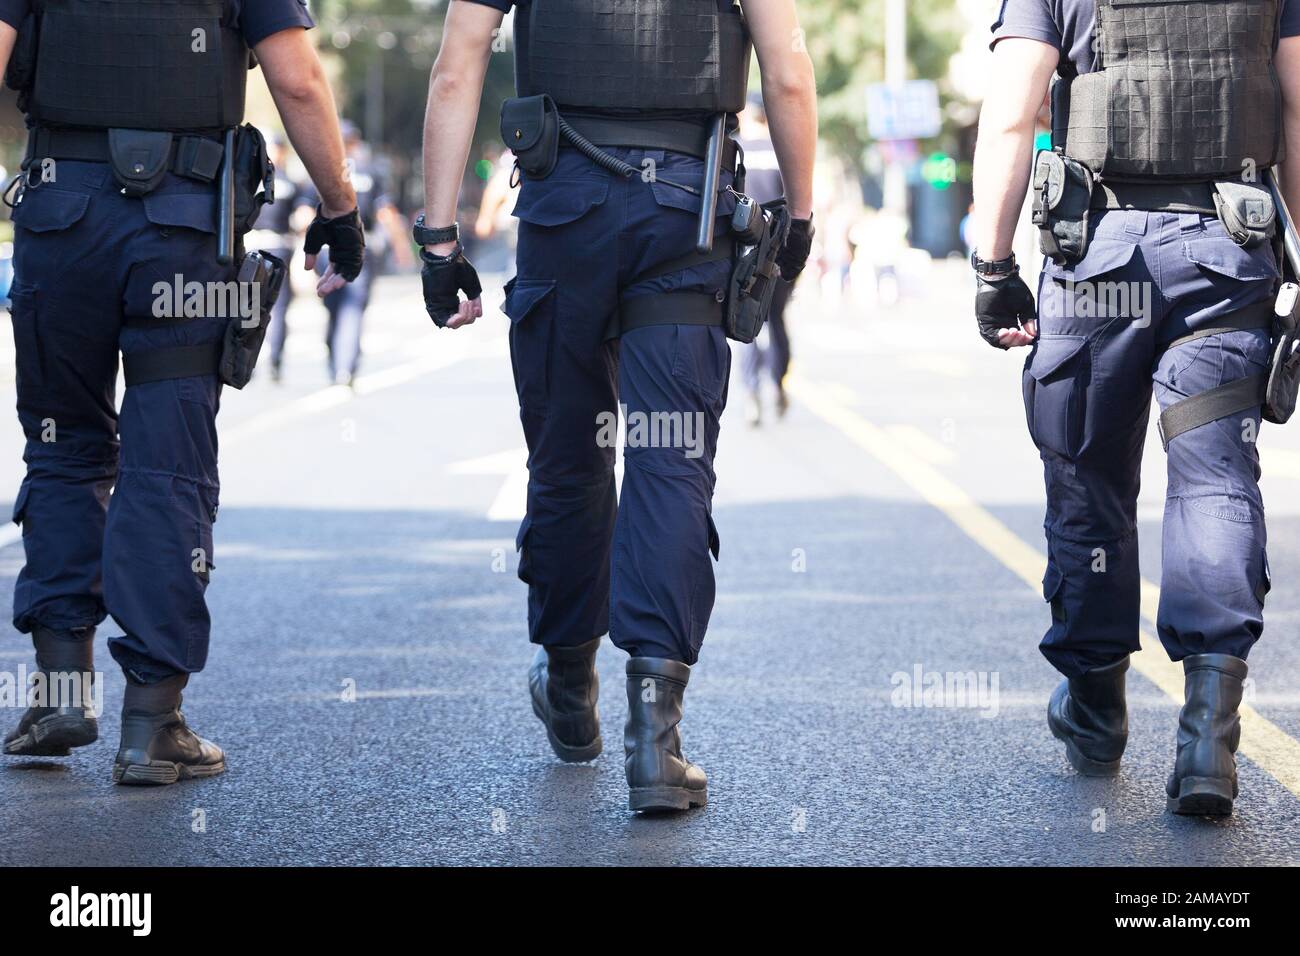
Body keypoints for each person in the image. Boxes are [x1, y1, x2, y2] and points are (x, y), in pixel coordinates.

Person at [418, 0, 816, 812]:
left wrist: (438, 238)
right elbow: (787, 71)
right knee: (670, 465)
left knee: (568, 458)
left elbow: (458, 62)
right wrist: (801, 215)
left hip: (565, 210)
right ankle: (655, 742)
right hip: (686, 213)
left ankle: (569, 683)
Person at [0, 0, 365, 785]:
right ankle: (151, 722)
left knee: (64, 450)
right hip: (180, 228)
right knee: (168, 465)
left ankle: (62, 694)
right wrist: (340, 208)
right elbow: (297, 81)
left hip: (60, 217)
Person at [972, 0, 1300, 816]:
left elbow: (1015, 113)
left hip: (1098, 256)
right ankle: (1205, 740)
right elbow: (1297, 105)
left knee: (1088, 482)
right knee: (1214, 478)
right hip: (1225, 254)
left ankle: (1094, 708)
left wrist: (993, 263)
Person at [308, 121, 414, 388]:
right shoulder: (370, 171)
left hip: (327, 250)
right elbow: (386, 213)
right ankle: (345, 366)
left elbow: (307, 216)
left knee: (337, 309)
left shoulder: (320, 171)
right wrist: (402, 248)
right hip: (358, 248)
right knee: (352, 309)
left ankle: (339, 363)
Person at [737, 95, 796, 427]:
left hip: (746, 251)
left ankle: (751, 391)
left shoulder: (735, 151)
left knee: (748, 322)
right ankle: (778, 382)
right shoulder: (781, 151)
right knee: (777, 320)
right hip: (780, 249)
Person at [245, 134, 306, 382]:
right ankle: (258, 361)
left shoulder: (251, 179)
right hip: (263, 246)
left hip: (268, 246)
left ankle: (265, 362)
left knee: (265, 307)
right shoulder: (287, 182)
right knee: (260, 306)